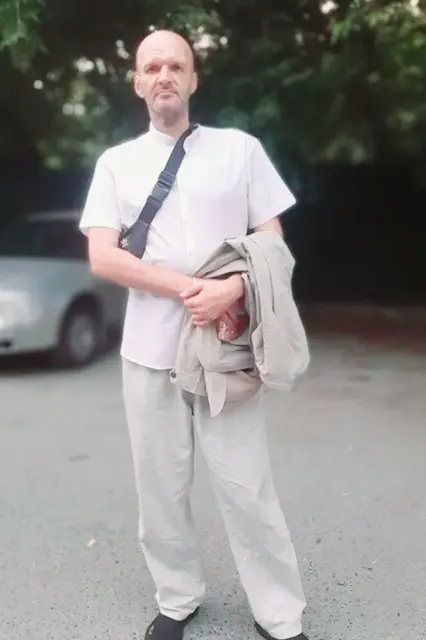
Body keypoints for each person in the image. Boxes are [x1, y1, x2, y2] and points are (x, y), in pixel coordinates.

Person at [79, 29, 309, 640]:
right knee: (160, 487)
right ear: (137, 82)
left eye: (175, 66)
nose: (164, 76)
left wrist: (231, 290)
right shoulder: (116, 163)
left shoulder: (240, 151)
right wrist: (190, 289)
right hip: (148, 350)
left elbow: (273, 243)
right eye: (152, 66)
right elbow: (103, 256)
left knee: (248, 486)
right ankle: (177, 599)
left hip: (227, 348)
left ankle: (279, 615)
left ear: (193, 79)